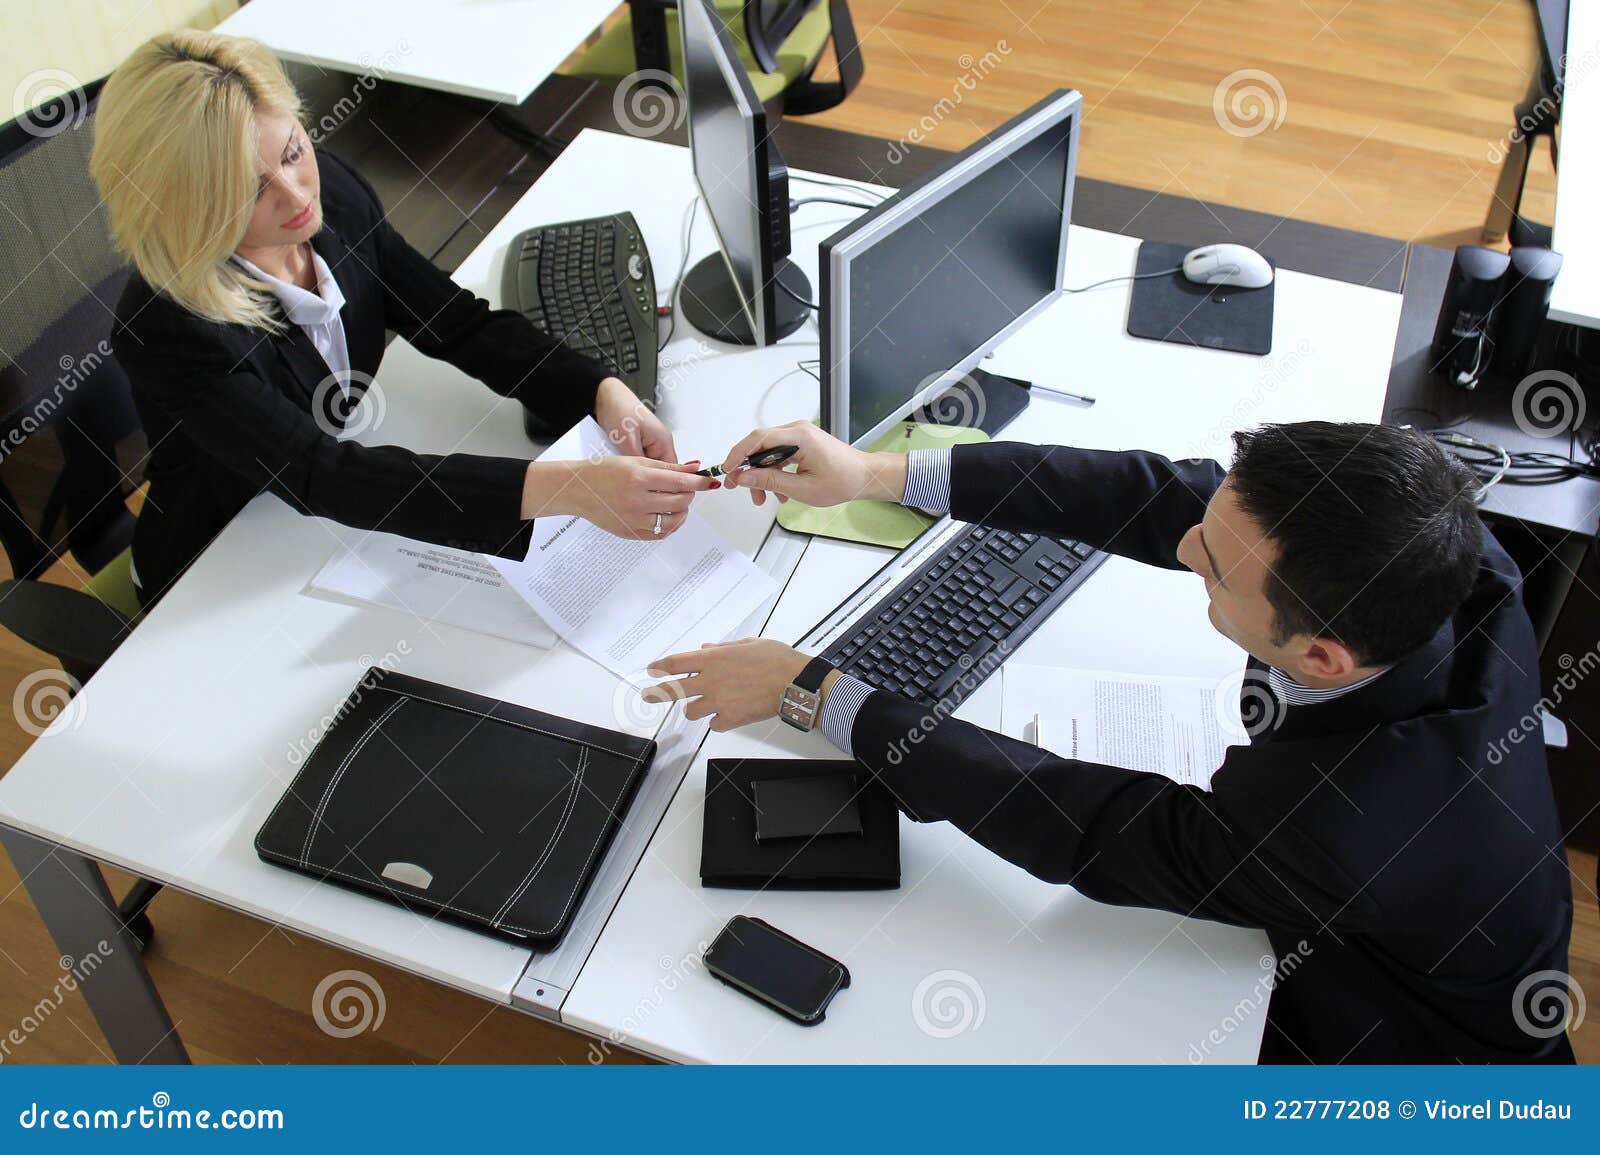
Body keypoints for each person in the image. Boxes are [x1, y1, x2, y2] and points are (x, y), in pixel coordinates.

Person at [645, 418, 1576, 1064]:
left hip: (1399, 1053)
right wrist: (875, 474)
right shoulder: (1446, 560)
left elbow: (1087, 824)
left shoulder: (1354, 830)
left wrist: (814, 692)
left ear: (1322, 657)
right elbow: (1155, 495)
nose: (1184, 552)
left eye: (1212, 574)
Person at [91, 31, 716, 605]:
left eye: (291, 151)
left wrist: (601, 392)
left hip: (321, 525)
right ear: (186, 209)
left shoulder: (327, 194)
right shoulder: (165, 325)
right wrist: (568, 488)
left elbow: (458, 323)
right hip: (222, 562)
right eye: (250, 191)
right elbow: (321, 476)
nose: (296, 195)